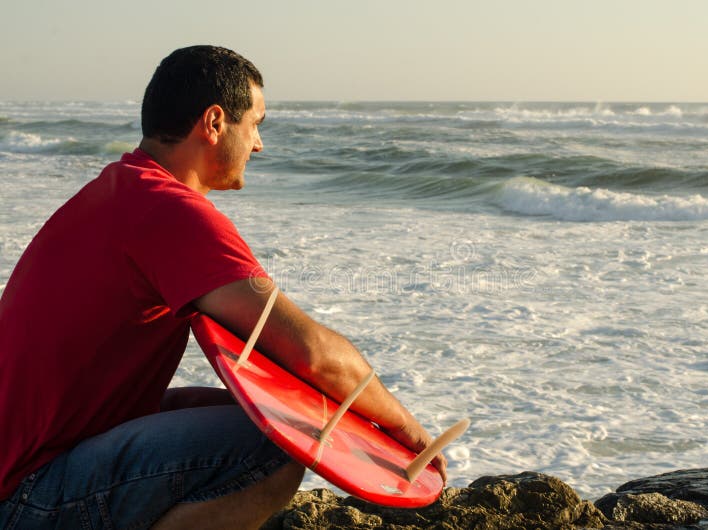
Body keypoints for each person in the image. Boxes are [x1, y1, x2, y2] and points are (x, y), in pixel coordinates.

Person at [0, 45, 445, 530]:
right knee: (274, 447)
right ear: (214, 123)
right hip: (27, 494)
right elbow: (311, 353)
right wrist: (402, 427)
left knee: (240, 411)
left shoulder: (120, 189)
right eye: (255, 124)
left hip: (26, 463)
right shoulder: (170, 210)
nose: (258, 145)